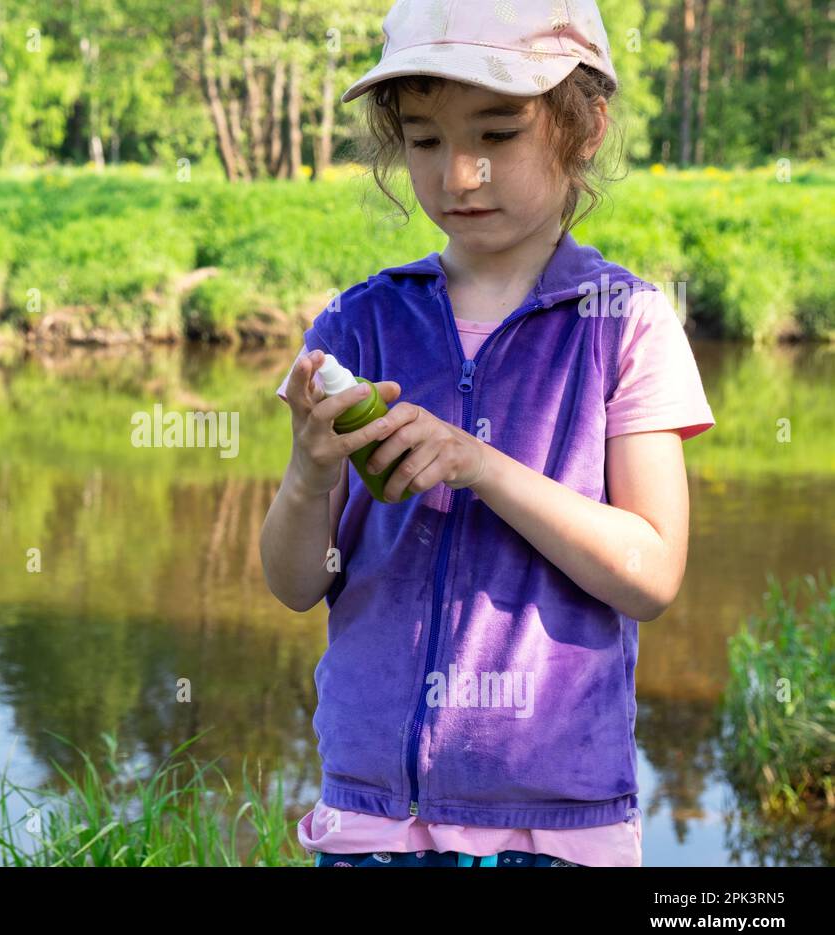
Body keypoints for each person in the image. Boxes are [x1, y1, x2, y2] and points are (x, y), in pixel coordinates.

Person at [262, 0, 715, 868]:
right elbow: (293, 585)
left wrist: (480, 465)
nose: (459, 175)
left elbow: (652, 575)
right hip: (372, 825)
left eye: (497, 135)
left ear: (586, 129)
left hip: (560, 829)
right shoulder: (358, 324)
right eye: (426, 140)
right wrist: (309, 476)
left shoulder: (626, 325)